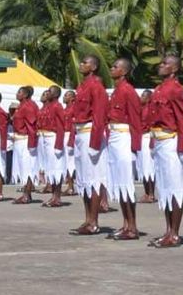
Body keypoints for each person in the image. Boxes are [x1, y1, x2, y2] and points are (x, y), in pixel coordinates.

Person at [146, 55, 183, 248]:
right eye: (162, 62)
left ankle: (175, 233)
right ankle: (168, 230)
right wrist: (152, 143)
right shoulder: (159, 89)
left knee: (175, 189)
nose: (161, 65)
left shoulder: (175, 90)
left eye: (166, 64)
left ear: (174, 69)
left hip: (171, 141)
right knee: (165, 189)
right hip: (160, 142)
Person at [70, 55, 110, 236]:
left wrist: (95, 144)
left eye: (85, 62)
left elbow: (100, 116)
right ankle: (87, 219)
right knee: (84, 180)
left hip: (89, 134)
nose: (81, 64)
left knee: (93, 180)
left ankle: (94, 221)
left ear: (93, 67)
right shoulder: (82, 86)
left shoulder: (96, 86)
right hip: (80, 134)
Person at [106, 57, 144, 240]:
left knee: (126, 184)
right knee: (119, 183)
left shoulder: (128, 91)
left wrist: (134, 147)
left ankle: (133, 226)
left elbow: (136, 120)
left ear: (124, 71)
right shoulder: (116, 91)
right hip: (113, 136)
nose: (111, 69)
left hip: (123, 136)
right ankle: (125, 223)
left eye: (115, 67)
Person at [37, 86, 68, 207]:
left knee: (57, 168)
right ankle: (53, 196)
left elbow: (61, 125)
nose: (47, 93)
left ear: (55, 94)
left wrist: (59, 144)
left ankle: (57, 197)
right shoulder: (47, 106)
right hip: (45, 138)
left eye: (50, 91)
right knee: (50, 168)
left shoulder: (57, 106)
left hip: (53, 138)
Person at [10, 86, 39, 204]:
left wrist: (32, 144)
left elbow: (31, 126)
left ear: (25, 95)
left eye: (19, 92)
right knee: (22, 167)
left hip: (25, 139)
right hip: (19, 139)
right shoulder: (21, 106)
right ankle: (27, 193)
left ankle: (26, 194)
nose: (17, 94)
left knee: (27, 167)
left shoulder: (28, 106)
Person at [137, 88, 157, 204]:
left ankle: (151, 194)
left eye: (143, 96)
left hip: (147, 137)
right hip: (141, 137)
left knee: (149, 168)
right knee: (143, 167)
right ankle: (146, 192)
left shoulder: (150, 110)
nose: (141, 98)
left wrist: (152, 142)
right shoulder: (141, 108)